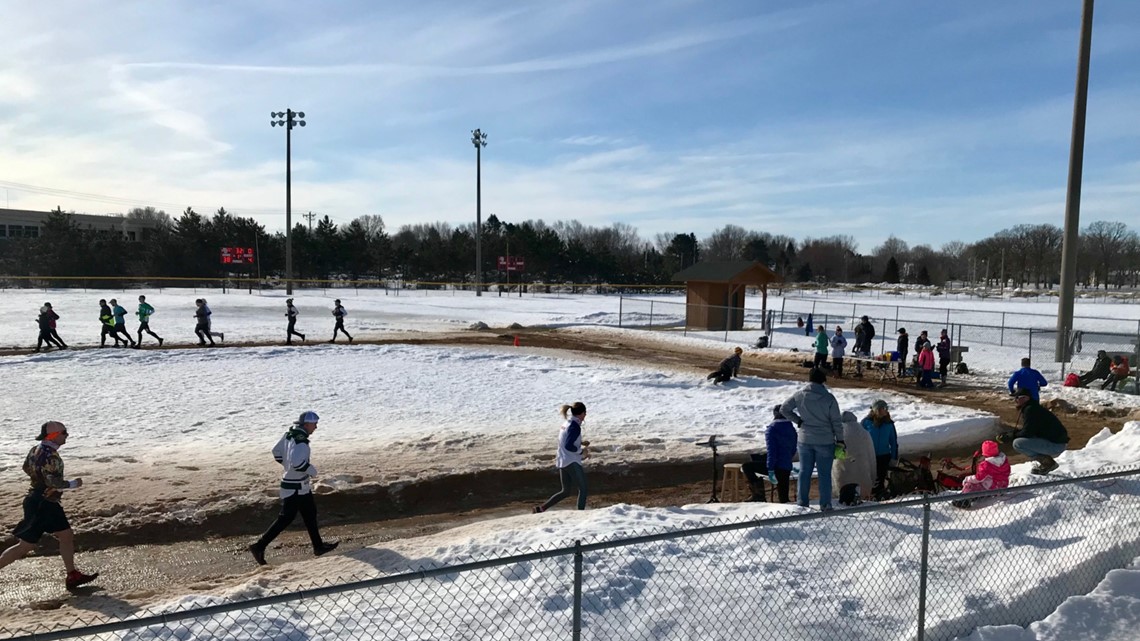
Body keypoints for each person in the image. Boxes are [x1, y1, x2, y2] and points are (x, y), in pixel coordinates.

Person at [0, 422, 99, 589]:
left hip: (38, 500)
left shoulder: (35, 450)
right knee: (26, 546)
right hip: (43, 503)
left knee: (65, 535)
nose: (67, 435)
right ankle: (72, 575)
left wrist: (38, 479)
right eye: (64, 432)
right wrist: (73, 484)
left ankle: (72, 575)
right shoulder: (51, 456)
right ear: (53, 435)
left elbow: (26, 468)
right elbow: (53, 482)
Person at [248, 411, 339, 565]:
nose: (316, 427)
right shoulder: (301, 441)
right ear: (307, 424)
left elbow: (276, 452)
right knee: (286, 518)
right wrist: (312, 470)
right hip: (295, 486)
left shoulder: (290, 434)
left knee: (310, 514)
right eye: (314, 424)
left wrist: (286, 465)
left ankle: (318, 546)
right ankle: (259, 546)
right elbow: (298, 463)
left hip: (297, 484)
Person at [781, 368, 845, 511]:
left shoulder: (800, 395)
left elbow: (784, 409)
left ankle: (802, 503)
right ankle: (825, 505)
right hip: (825, 440)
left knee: (804, 472)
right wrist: (840, 440)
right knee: (824, 475)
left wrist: (798, 421)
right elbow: (836, 421)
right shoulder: (829, 398)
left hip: (805, 439)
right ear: (823, 380)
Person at [534, 402, 590, 513]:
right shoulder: (575, 426)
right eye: (585, 413)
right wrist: (581, 452)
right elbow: (568, 445)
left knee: (565, 491)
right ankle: (580, 514)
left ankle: (541, 508)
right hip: (571, 461)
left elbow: (566, 439)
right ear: (581, 413)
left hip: (562, 460)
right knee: (583, 489)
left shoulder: (567, 423)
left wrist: (580, 442)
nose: (585, 415)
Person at [998, 393, 1069, 475]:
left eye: (1020, 397)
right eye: (1016, 398)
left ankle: (1048, 463)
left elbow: (1028, 432)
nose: (1017, 400)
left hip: (1056, 445)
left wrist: (1011, 436)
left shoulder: (1030, 410)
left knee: (1018, 443)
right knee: (1021, 440)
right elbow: (1029, 429)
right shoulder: (1033, 407)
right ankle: (1048, 462)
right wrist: (1012, 434)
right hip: (1055, 442)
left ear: (1027, 398)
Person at [742, 405, 796, 502]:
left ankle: (758, 494)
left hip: (776, 466)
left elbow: (772, 451)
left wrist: (770, 469)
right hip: (786, 465)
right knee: (784, 498)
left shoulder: (772, 430)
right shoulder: (791, 429)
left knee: (746, 466)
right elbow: (793, 449)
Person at [951, 439, 1011, 508]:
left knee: (970, 484)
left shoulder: (986, 465)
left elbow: (979, 478)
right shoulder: (1004, 460)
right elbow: (1007, 472)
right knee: (982, 483)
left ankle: (964, 500)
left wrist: (967, 479)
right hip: (1002, 486)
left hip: (991, 487)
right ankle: (973, 496)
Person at [834, 410, 875, 505]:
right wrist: (872, 478)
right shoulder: (864, 434)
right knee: (864, 504)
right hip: (863, 478)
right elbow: (872, 457)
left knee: (843, 502)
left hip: (842, 479)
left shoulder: (838, 435)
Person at [861, 400, 899, 500]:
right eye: (883, 408)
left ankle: (880, 499)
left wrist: (894, 458)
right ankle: (869, 498)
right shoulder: (866, 422)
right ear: (876, 410)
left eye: (886, 408)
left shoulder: (889, 424)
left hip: (884, 456)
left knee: (881, 479)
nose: (886, 410)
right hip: (870, 456)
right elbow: (860, 440)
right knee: (870, 479)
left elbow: (893, 442)